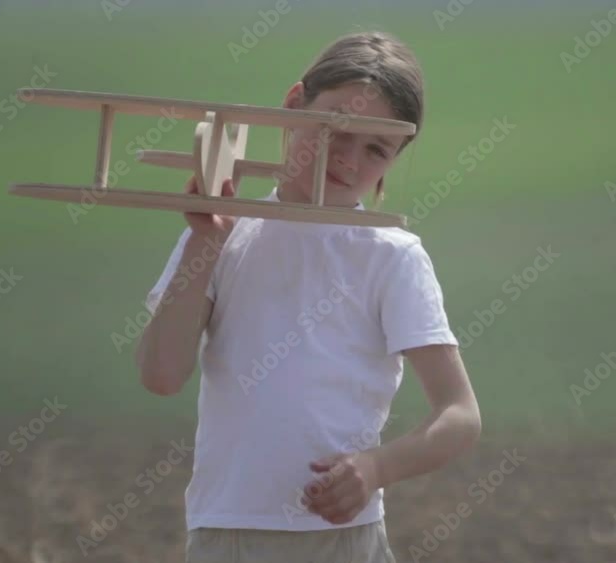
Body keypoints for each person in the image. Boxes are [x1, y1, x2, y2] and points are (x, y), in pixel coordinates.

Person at [136, 30, 481, 563]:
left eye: (376, 148)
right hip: (225, 535)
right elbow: (160, 375)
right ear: (295, 103)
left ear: (395, 157)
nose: (348, 158)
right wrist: (205, 241)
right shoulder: (221, 232)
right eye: (335, 127)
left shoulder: (392, 255)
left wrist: (375, 468)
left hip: (344, 540)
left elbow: (459, 414)